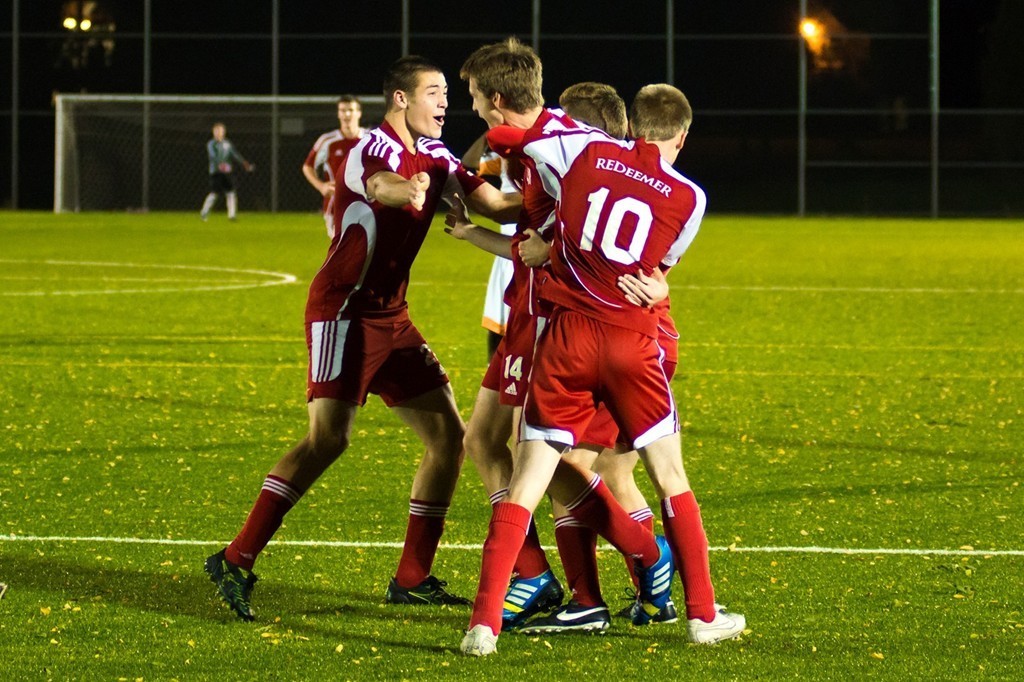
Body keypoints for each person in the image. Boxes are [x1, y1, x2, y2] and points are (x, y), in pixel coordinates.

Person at [203, 55, 521, 622]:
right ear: (401, 99)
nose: (445, 102)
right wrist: (412, 188)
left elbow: (494, 203)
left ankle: (412, 576)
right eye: (434, 92)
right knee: (328, 440)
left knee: (449, 437)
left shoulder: (440, 155)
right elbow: (384, 185)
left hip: (392, 317)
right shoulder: (366, 150)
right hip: (342, 312)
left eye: (448, 93)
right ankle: (235, 558)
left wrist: (568, 201)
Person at [460, 84, 745, 656]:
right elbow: (652, 273)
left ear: (631, 126)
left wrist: (525, 232)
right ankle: (701, 614)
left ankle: (484, 626)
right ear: (682, 136)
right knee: (669, 477)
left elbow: (511, 139)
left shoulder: (586, 157)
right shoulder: (691, 197)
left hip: (567, 339)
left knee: (531, 476)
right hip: (635, 343)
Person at [301, 95, 366, 238]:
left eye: (351, 110)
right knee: (344, 250)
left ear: (359, 113)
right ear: (338, 114)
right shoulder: (328, 141)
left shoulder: (372, 139)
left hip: (367, 202)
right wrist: (321, 186)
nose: (347, 114)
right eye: (342, 110)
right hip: (337, 204)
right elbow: (308, 166)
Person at [200, 122, 254, 221]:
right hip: (216, 172)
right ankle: (204, 212)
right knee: (214, 194)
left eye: (221, 131)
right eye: (217, 131)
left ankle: (232, 215)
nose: (219, 133)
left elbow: (234, 154)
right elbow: (213, 156)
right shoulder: (211, 144)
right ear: (213, 132)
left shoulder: (227, 143)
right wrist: (221, 165)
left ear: (224, 132)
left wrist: (244, 163)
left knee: (231, 192)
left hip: (226, 173)